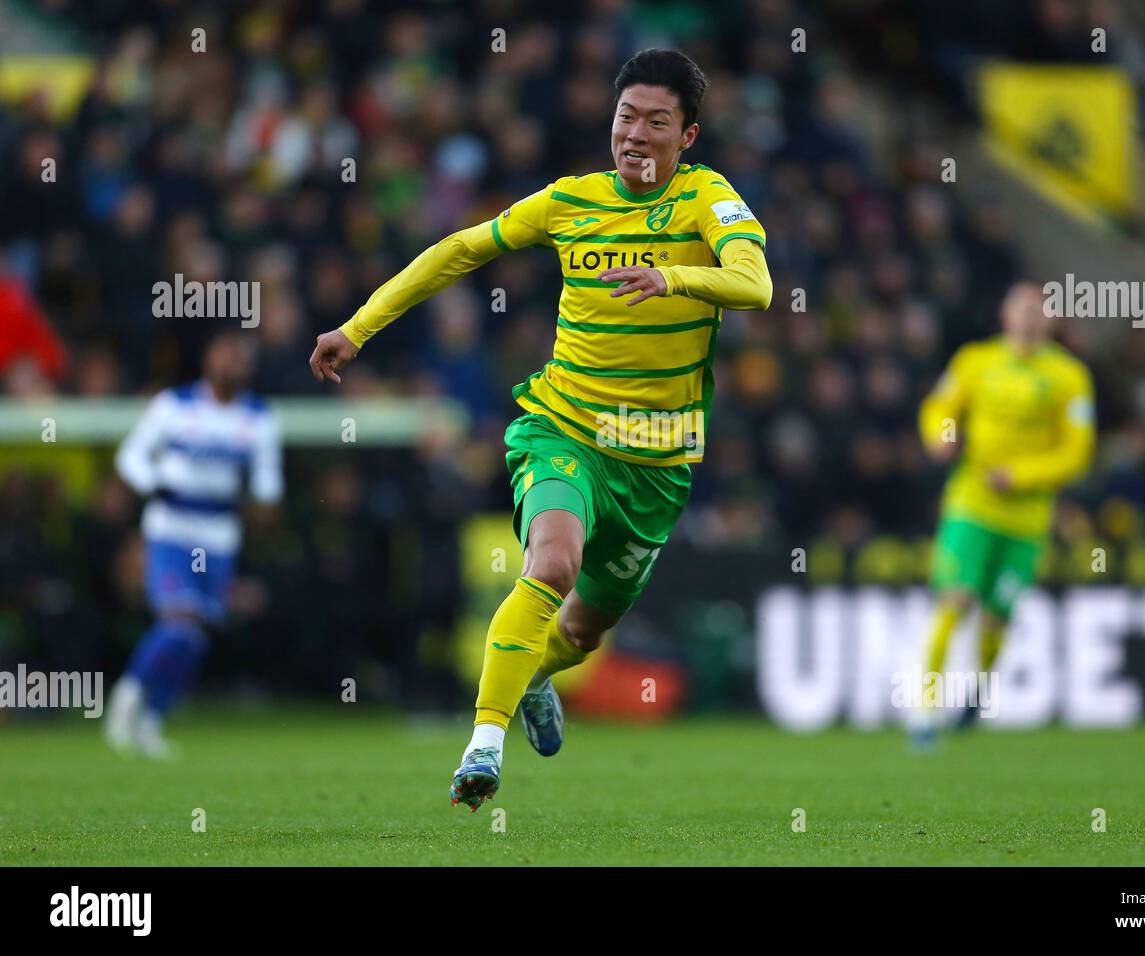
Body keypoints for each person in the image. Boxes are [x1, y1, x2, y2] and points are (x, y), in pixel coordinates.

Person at [308, 49, 771, 810]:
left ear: (688, 136)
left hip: (658, 462)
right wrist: (359, 328)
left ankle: (534, 676)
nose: (636, 135)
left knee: (583, 632)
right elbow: (462, 249)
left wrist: (674, 276)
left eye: (658, 122)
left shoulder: (707, 200)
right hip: (564, 431)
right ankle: (482, 748)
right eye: (626, 117)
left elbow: (756, 285)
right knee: (551, 566)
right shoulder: (568, 201)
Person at [914, 281, 1095, 745]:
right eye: (1023, 308)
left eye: (1040, 310)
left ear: (1051, 320)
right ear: (1005, 314)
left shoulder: (1069, 377)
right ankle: (925, 713)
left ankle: (974, 697)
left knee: (997, 618)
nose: (1031, 317)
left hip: (1027, 520)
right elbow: (940, 408)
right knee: (953, 601)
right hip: (971, 505)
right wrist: (942, 434)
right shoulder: (975, 361)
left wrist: (1020, 475)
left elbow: (1077, 452)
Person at [105, 332, 282, 757]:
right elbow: (130, 457)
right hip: (171, 528)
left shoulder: (258, 417)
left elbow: (267, 481)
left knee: (195, 636)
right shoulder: (175, 405)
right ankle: (127, 696)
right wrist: (158, 484)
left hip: (218, 536)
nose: (232, 365)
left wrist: (265, 501)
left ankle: (152, 719)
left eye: (240, 359)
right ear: (208, 358)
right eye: (225, 354)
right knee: (178, 618)